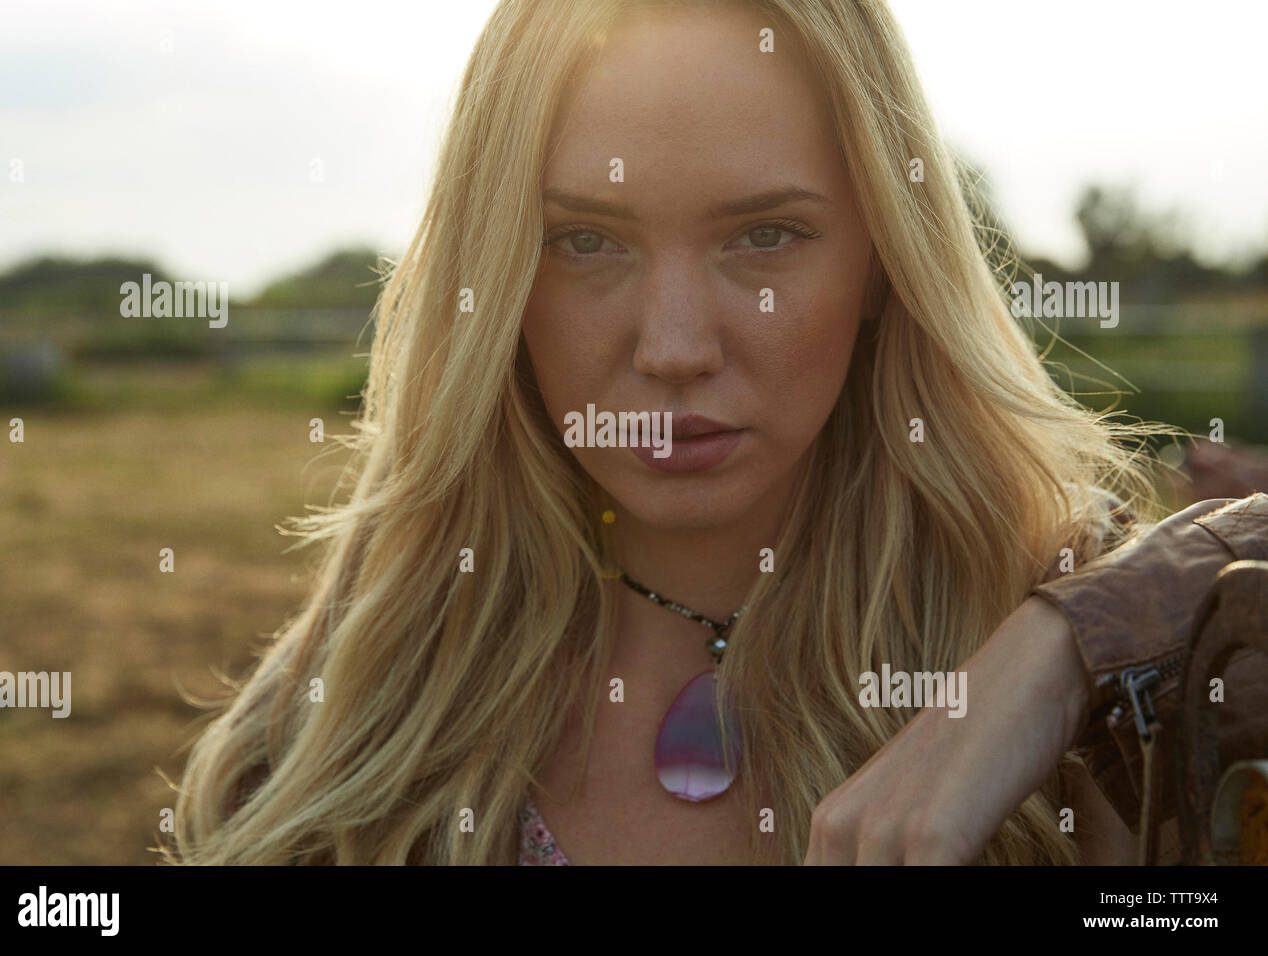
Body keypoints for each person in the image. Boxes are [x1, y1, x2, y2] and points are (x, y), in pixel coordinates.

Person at [165, 0, 1268, 865]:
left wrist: (1068, 644)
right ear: (492, 271)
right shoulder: (362, 684)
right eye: (585, 242)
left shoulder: (1108, 666)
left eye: (765, 235)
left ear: (884, 260)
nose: (675, 344)